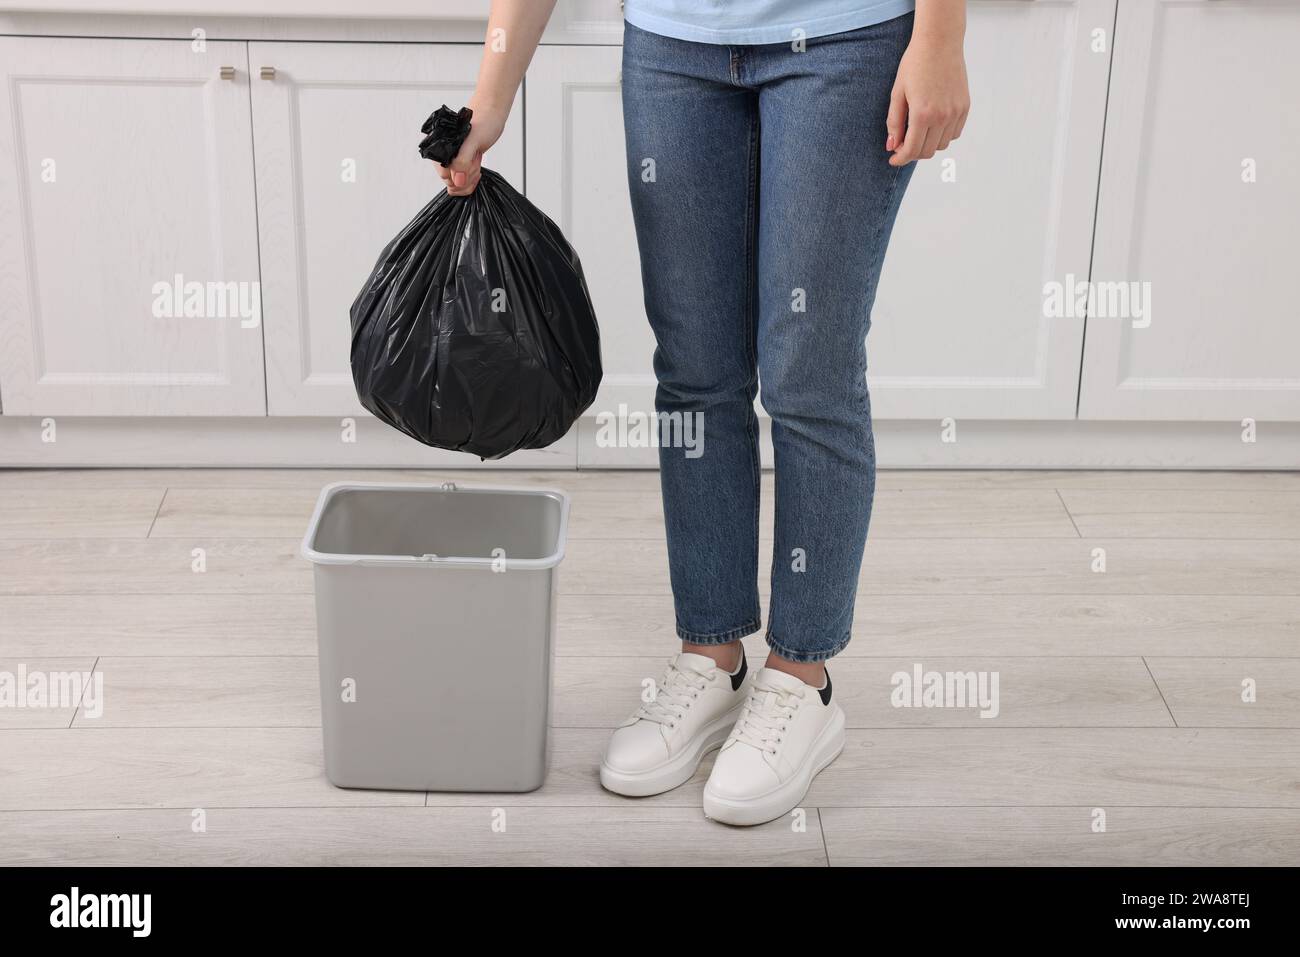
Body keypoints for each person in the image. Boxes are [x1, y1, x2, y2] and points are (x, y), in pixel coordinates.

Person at [437, 0, 969, 826]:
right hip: (674, 45)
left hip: (844, 40)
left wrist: (940, 37)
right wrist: (490, 98)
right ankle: (713, 659)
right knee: (694, 375)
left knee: (809, 377)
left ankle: (801, 678)